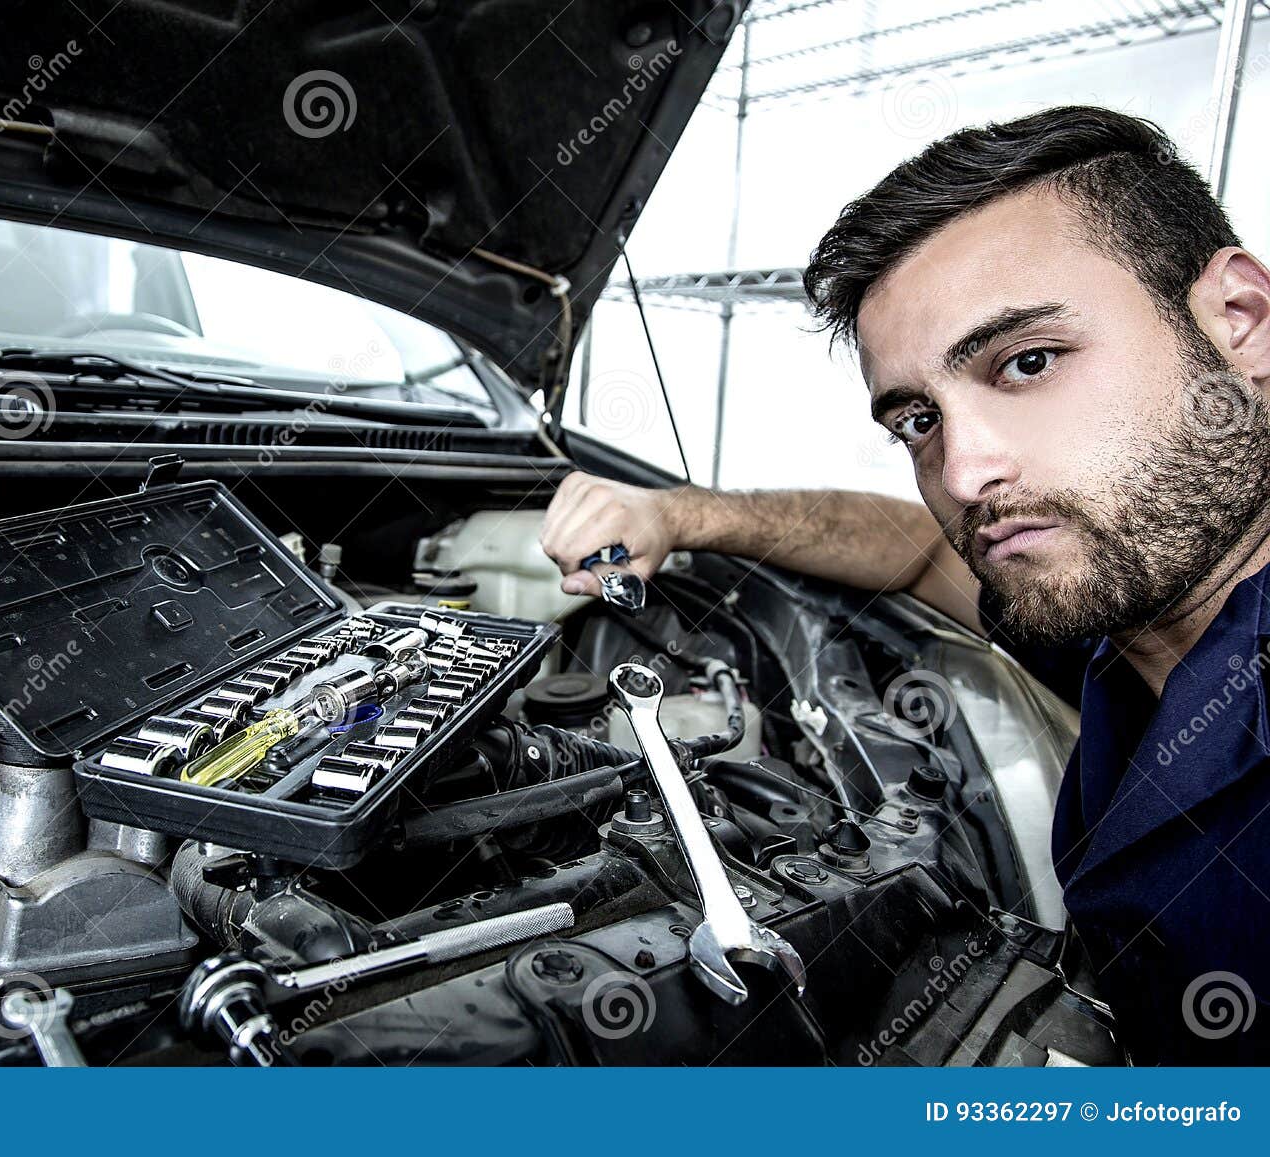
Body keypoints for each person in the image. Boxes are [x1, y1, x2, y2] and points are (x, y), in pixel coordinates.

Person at [541, 106, 1270, 1064]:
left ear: (1239, 320)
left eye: (1028, 362)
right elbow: (917, 551)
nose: (963, 474)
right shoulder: (1123, 585)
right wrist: (683, 516)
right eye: (919, 419)